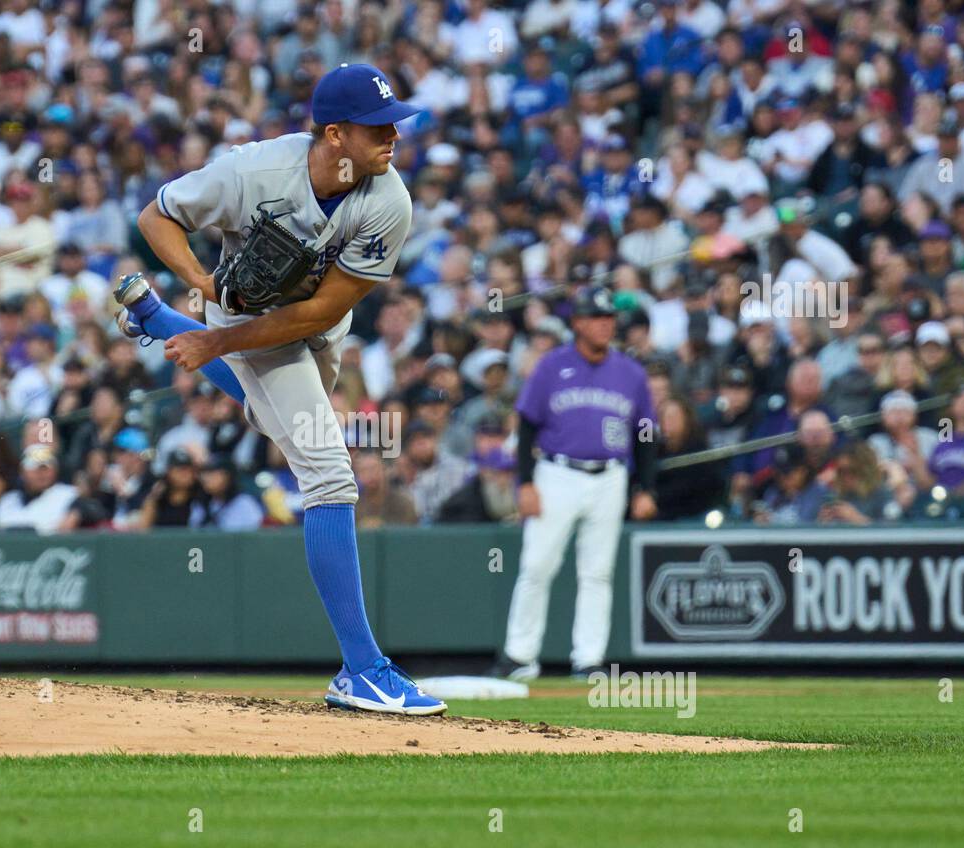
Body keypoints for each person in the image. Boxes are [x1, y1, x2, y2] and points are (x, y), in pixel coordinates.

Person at [113, 64, 445, 715]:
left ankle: (154, 318)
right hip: (240, 314)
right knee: (327, 472)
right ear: (333, 133)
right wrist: (206, 291)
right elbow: (156, 217)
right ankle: (363, 669)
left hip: (319, 325)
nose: (394, 137)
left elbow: (321, 312)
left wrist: (210, 344)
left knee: (269, 417)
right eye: (379, 128)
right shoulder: (252, 171)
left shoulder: (388, 201)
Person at [489, 287, 657, 682]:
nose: (605, 324)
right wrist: (526, 483)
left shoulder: (631, 373)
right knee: (537, 565)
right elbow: (527, 425)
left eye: (609, 318)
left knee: (597, 571)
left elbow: (646, 432)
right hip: (557, 472)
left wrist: (646, 487)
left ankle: (589, 659)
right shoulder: (552, 365)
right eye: (597, 317)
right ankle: (519, 654)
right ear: (578, 323)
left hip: (611, 476)